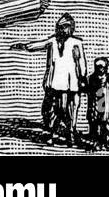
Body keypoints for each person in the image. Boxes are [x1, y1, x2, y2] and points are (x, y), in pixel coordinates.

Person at [15, 13, 88, 146]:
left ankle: (70, 134)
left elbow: (81, 61)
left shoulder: (76, 43)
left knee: (71, 110)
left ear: (70, 28)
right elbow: (38, 45)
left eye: (64, 27)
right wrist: (24, 46)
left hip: (71, 84)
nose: (61, 30)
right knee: (53, 110)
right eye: (59, 27)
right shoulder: (53, 41)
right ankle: (53, 134)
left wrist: (82, 76)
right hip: (55, 84)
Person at [85, 57, 109, 150]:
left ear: (106, 67)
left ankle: (108, 141)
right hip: (95, 105)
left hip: (107, 106)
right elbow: (87, 90)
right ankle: (96, 142)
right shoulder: (91, 78)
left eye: (102, 67)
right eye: (98, 67)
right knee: (95, 124)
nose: (100, 69)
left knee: (107, 124)